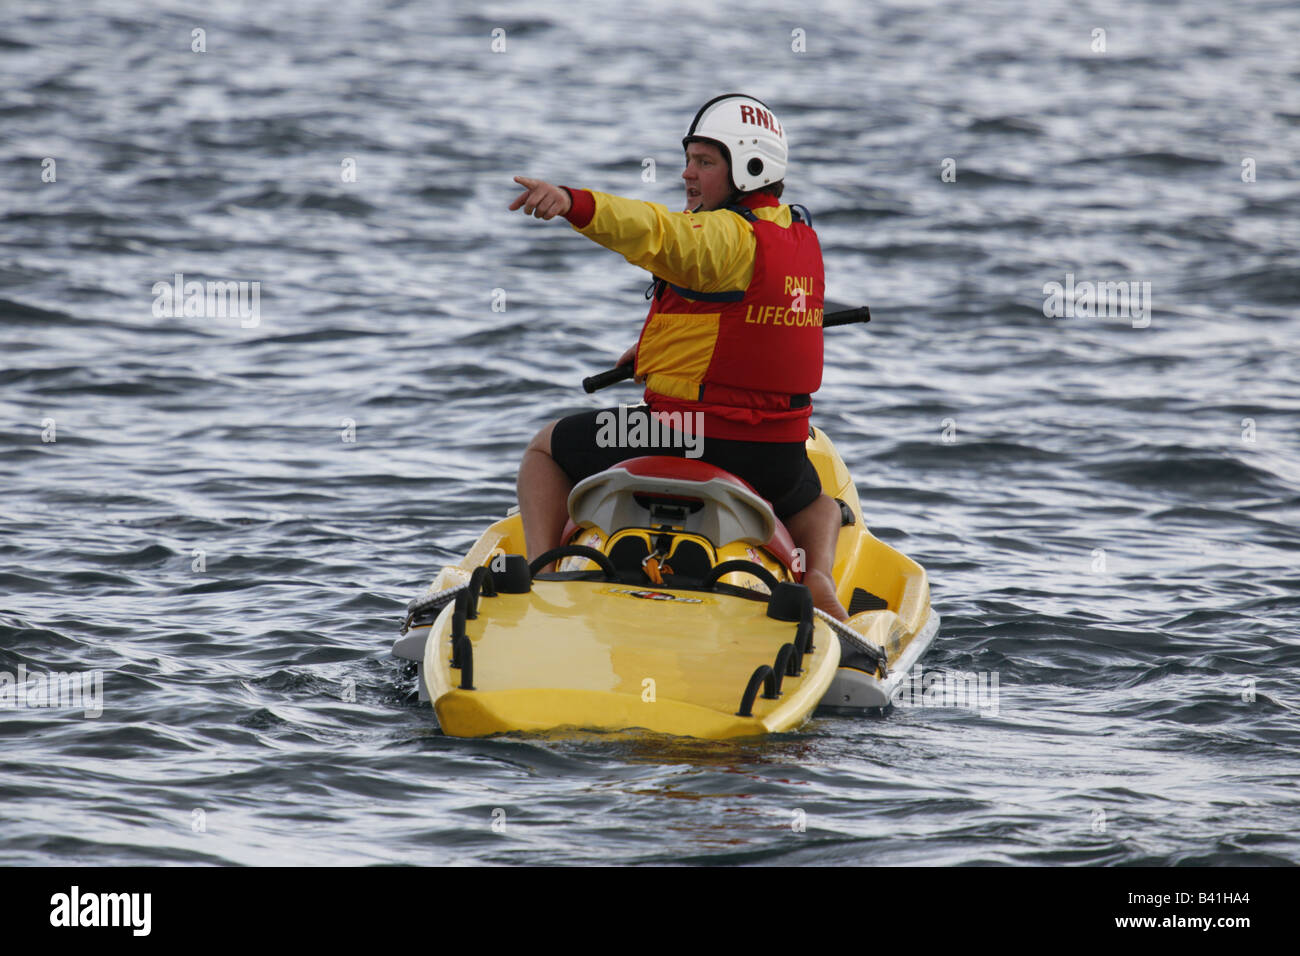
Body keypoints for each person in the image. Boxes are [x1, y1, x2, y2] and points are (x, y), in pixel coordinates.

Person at [508, 93, 849, 620]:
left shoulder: (726, 237)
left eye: (705, 162)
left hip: (688, 435)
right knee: (820, 501)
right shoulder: (798, 234)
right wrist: (650, 352)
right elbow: (739, 331)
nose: (687, 174)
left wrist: (574, 203)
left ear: (750, 169)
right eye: (688, 159)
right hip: (775, 452)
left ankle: (543, 573)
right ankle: (819, 576)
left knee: (545, 450)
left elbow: (657, 233)